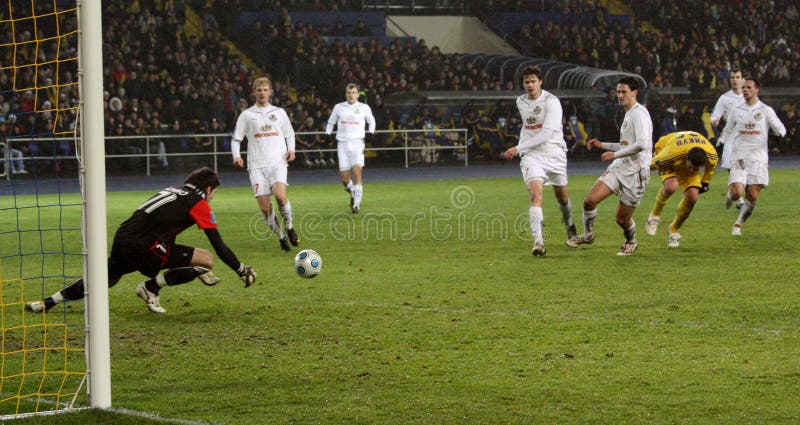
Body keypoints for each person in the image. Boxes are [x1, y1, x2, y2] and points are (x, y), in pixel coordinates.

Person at [26, 167, 256, 314]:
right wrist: (240, 268)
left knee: (106, 277)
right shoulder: (199, 203)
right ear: (208, 189)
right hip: (145, 247)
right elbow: (218, 243)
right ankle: (150, 288)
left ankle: (48, 302)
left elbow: (163, 225)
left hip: (124, 237)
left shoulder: (172, 191)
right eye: (213, 193)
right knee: (206, 260)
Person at [566, 77, 653, 256]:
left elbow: (642, 144)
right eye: (618, 91)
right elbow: (627, 145)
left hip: (636, 173)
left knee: (622, 219)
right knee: (589, 200)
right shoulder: (629, 112)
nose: (619, 95)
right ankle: (588, 235)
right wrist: (603, 145)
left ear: (635, 93)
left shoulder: (639, 114)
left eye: (624, 92)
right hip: (620, 166)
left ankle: (631, 240)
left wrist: (614, 154)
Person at [502, 65, 576, 256]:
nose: (530, 85)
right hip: (532, 155)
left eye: (533, 81)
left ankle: (569, 223)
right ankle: (538, 242)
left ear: (541, 82)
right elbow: (529, 127)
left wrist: (517, 148)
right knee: (535, 195)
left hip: (554, 153)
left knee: (562, 198)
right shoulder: (520, 101)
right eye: (526, 82)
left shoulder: (552, 102)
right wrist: (523, 147)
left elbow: (546, 134)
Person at [232, 77, 300, 252]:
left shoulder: (279, 112)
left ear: (270, 92)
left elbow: (290, 134)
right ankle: (281, 236)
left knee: (279, 196)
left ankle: (290, 226)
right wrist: (236, 156)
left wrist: (291, 150)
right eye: (259, 90)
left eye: (265, 90)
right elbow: (236, 139)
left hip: (278, 162)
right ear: (254, 92)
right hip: (256, 165)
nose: (262, 93)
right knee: (264, 207)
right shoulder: (247, 115)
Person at [716, 77, 786, 236]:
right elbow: (727, 129)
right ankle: (730, 193)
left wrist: (778, 136)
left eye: (748, 87)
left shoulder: (765, 110)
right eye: (744, 87)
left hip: (758, 158)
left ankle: (738, 224)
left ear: (756, 90)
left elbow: (781, 129)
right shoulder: (737, 109)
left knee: (753, 194)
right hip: (739, 155)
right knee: (738, 193)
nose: (745, 90)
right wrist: (720, 142)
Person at [645, 131, 718, 248]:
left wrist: (705, 182)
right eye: (691, 167)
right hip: (668, 155)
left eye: (696, 168)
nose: (693, 170)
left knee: (693, 198)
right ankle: (654, 216)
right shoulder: (670, 154)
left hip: (685, 151)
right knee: (671, 186)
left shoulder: (711, 154)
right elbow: (648, 165)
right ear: (687, 158)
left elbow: (710, 169)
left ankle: (673, 229)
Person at [325, 83, 375, 214]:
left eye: (353, 93)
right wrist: (328, 135)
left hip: (358, 142)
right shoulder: (338, 107)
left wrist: (370, 133)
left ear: (358, 94)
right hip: (342, 143)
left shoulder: (364, 107)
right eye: (348, 92)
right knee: (345, 179)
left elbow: (372, 121)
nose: (351, 95)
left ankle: (356, 205)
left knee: (357, 172)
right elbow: (331, 122)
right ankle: (353, 193)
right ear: (345, 94)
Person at [710, 69, 744, 209]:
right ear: (729, 80)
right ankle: (740, 199)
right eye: (732, 77)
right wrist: (715, 120)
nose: (735, 80)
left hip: (746, 138)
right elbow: (715, 114)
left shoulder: (748, 96)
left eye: (737, 77)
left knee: (744, 169)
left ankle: (734, 193)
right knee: (732, 167)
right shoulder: (724, 98)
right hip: (730, 138)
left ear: (742, 79)